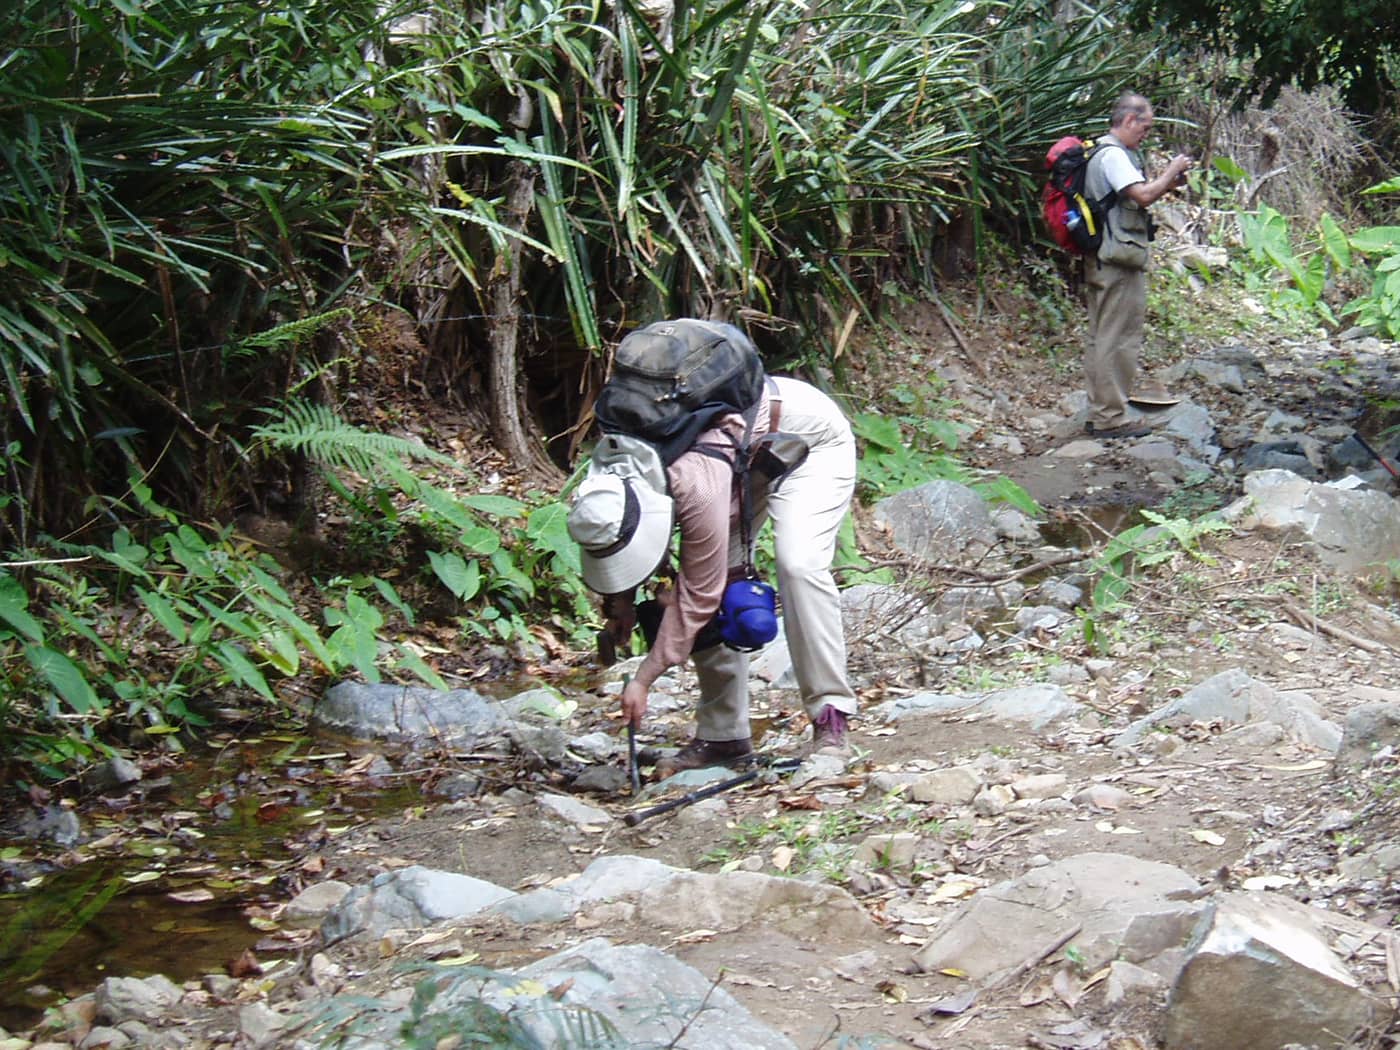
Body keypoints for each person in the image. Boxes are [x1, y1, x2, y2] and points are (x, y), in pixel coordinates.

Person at [566, 365, 859, 775]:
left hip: (806, 437)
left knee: (797, 564)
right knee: (705, 579)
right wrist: (621, 606)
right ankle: (724, 739)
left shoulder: (695, 485)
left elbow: (699, 594)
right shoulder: (608, 478)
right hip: (739, 455)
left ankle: (831, 718)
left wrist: (643, 678)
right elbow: (617, 534)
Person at [1082, 91, 1194, 440]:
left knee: (1101, 335)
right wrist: (1172, 170)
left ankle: (1100, 410)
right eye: (1145, 127)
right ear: (1129, 120)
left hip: (1105, 256)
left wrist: (1168, 182)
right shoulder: (1114, 155)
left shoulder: (1102, 151)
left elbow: (1140, 192)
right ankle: (1111, 418)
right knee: (1117, 337)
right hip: (1117, 260)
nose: (1146, 134)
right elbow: (1142, 195)